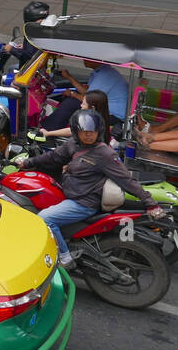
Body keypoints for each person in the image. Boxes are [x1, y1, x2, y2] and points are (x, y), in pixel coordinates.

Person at [23, 109, 166, 268]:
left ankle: (64, 257)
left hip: (84, 203)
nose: (89, 135)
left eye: (92, 132)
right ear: (76, 132)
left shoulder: (104, 153)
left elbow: (125, 179)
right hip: (72, 195)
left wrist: (150, 203)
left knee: (44, 218)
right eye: (84, 132)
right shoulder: (73, 145)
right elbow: (53, 157)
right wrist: (27, 163)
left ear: (99, 131)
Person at [38, 59, 130, 133]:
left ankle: (46, 130)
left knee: (71, 103)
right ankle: (54, 127)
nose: (84, 59)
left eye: (87, 57)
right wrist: (68, 77)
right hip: (105, 109)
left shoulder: (106, 75)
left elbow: (89, 98)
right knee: (72, 100)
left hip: (113, 116)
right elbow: (86, 92)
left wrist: (72, 94)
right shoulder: (101, 72)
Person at [2, 1, 50, 69]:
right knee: (11, 68)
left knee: (11, 69)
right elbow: (35, 48)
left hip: (31, 69)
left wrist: (12, 49)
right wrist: (25, 46)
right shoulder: (43, 30)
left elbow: (29, 57)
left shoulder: (33, 32)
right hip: (42, 65)